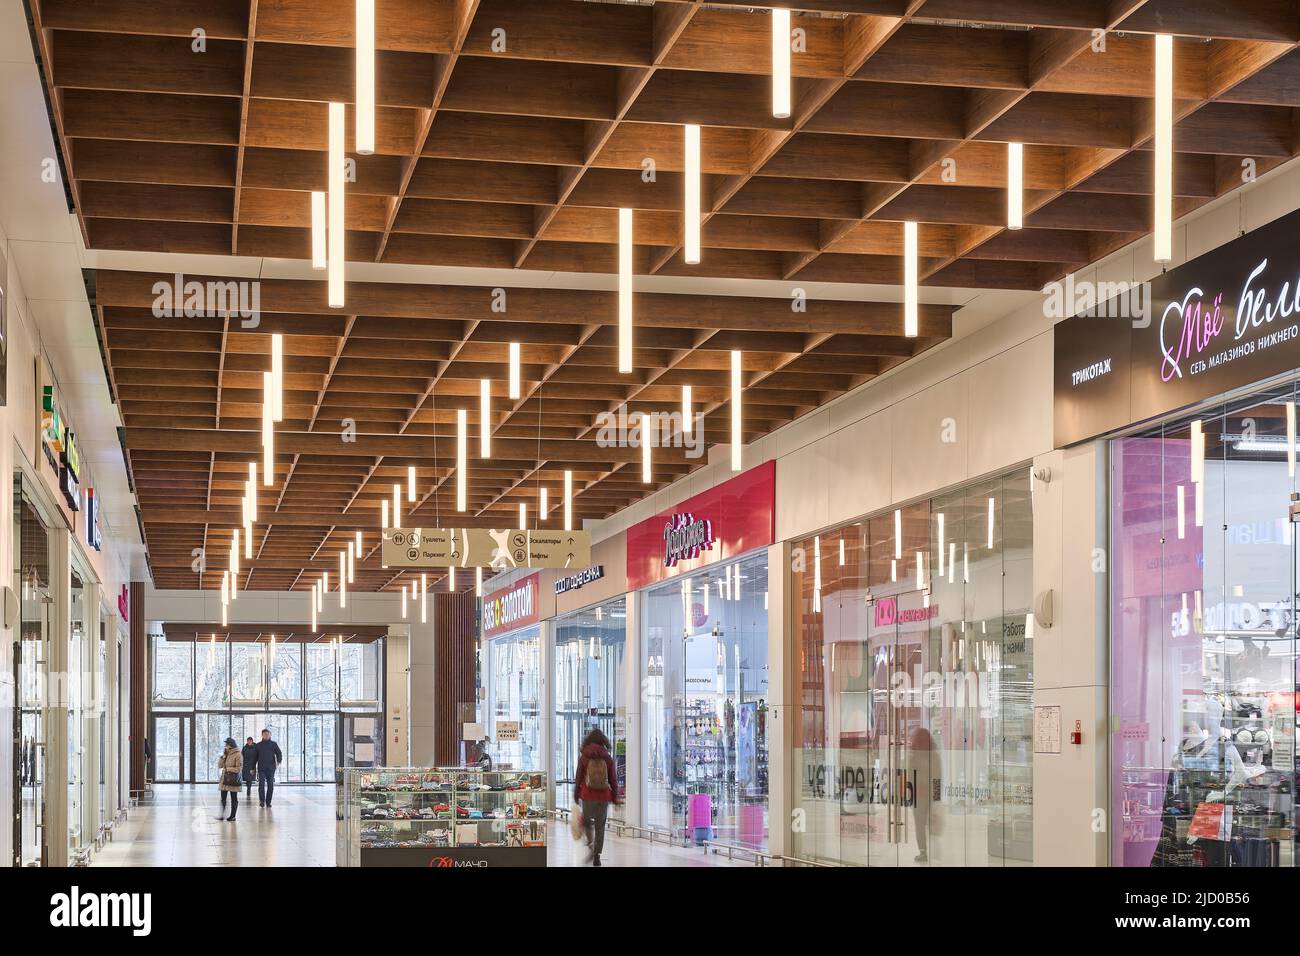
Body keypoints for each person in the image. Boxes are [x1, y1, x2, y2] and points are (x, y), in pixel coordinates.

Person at [574, 727, 620, 866]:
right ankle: (597, 855)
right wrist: (615, 797)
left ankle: (590, 845)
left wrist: (576, 793)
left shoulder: (584, 756)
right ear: (603, 741)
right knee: (600, 826)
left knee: (587, 822)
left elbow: (578, 777)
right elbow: (613, 779)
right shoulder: (607, 757)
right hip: (603, 796)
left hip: (587, 795)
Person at [254, 728, 283, 807]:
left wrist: (279, 761)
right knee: (261, 785)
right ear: (262, 735)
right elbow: (255, 757)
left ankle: (268, 802)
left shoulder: (274, 744)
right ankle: (262, 801)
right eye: (264, 734)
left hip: (271, 768)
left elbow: (279, 753)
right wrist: (252, 768)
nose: (266, 735)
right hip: (261, 768)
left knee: (270, 785)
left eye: (268, 734)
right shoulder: (258, 745)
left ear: (270, 735)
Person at [217, 737, 242, 821]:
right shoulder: (226, 754)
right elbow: (220, 766)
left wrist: (228, 769)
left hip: (233, 780)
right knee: (223, 798)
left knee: (233, 798)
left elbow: (239, 769)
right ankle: (222, 815)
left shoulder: (238, 754)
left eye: (227, 744)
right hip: (224, 779)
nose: (225, 746)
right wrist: (223, 756)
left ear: (231, 745)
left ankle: (233, 816)